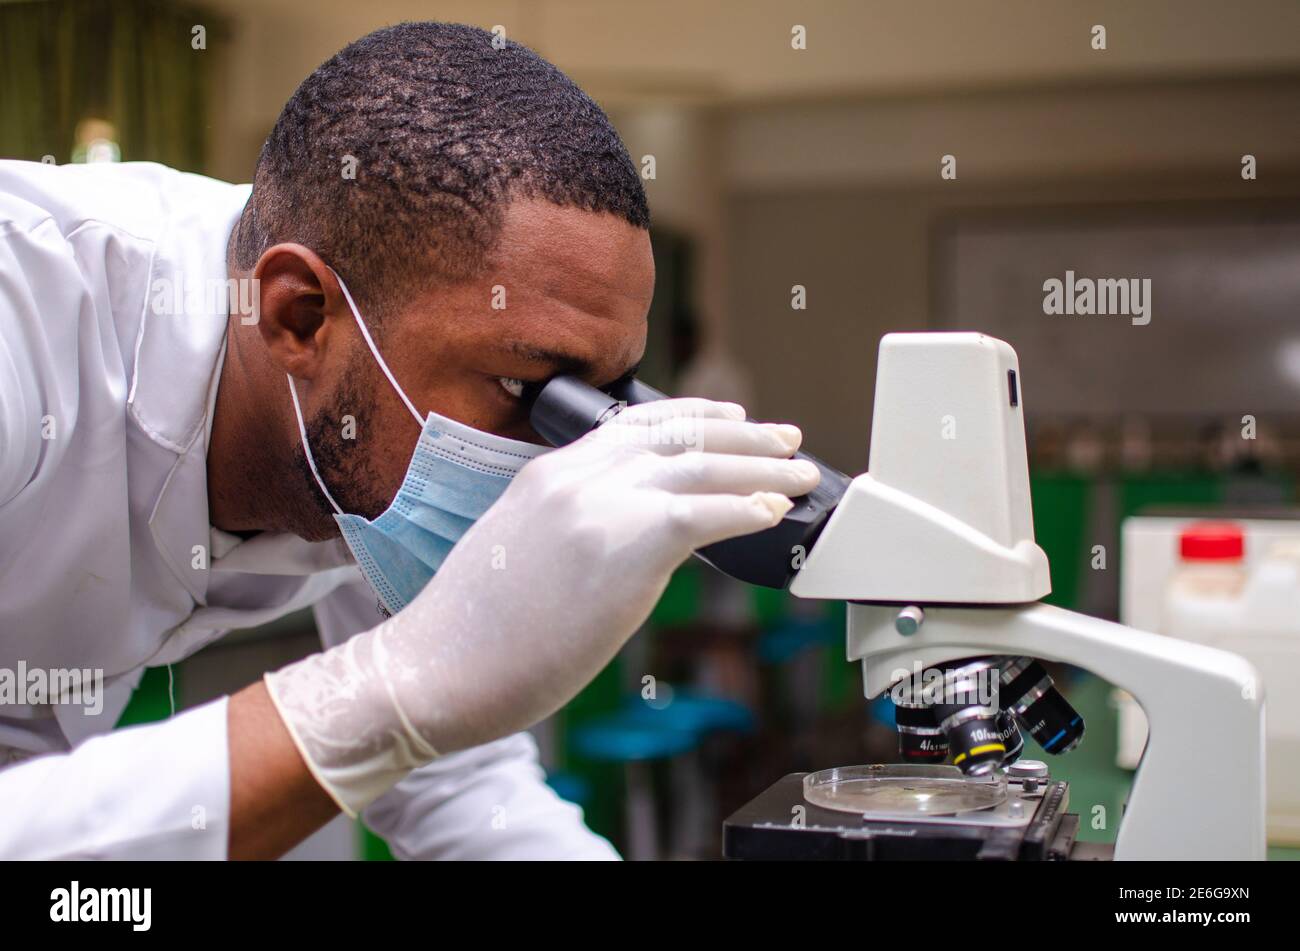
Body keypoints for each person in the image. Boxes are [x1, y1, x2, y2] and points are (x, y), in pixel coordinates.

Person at [0, 22, 818, 859]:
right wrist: (387, 690)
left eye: (600, 393)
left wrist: (416, 695)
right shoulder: (26, 326)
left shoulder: (359, 428)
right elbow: (402, 708)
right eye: (522, 385)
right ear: (299, 316)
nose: (561, 453)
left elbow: (457, 785)